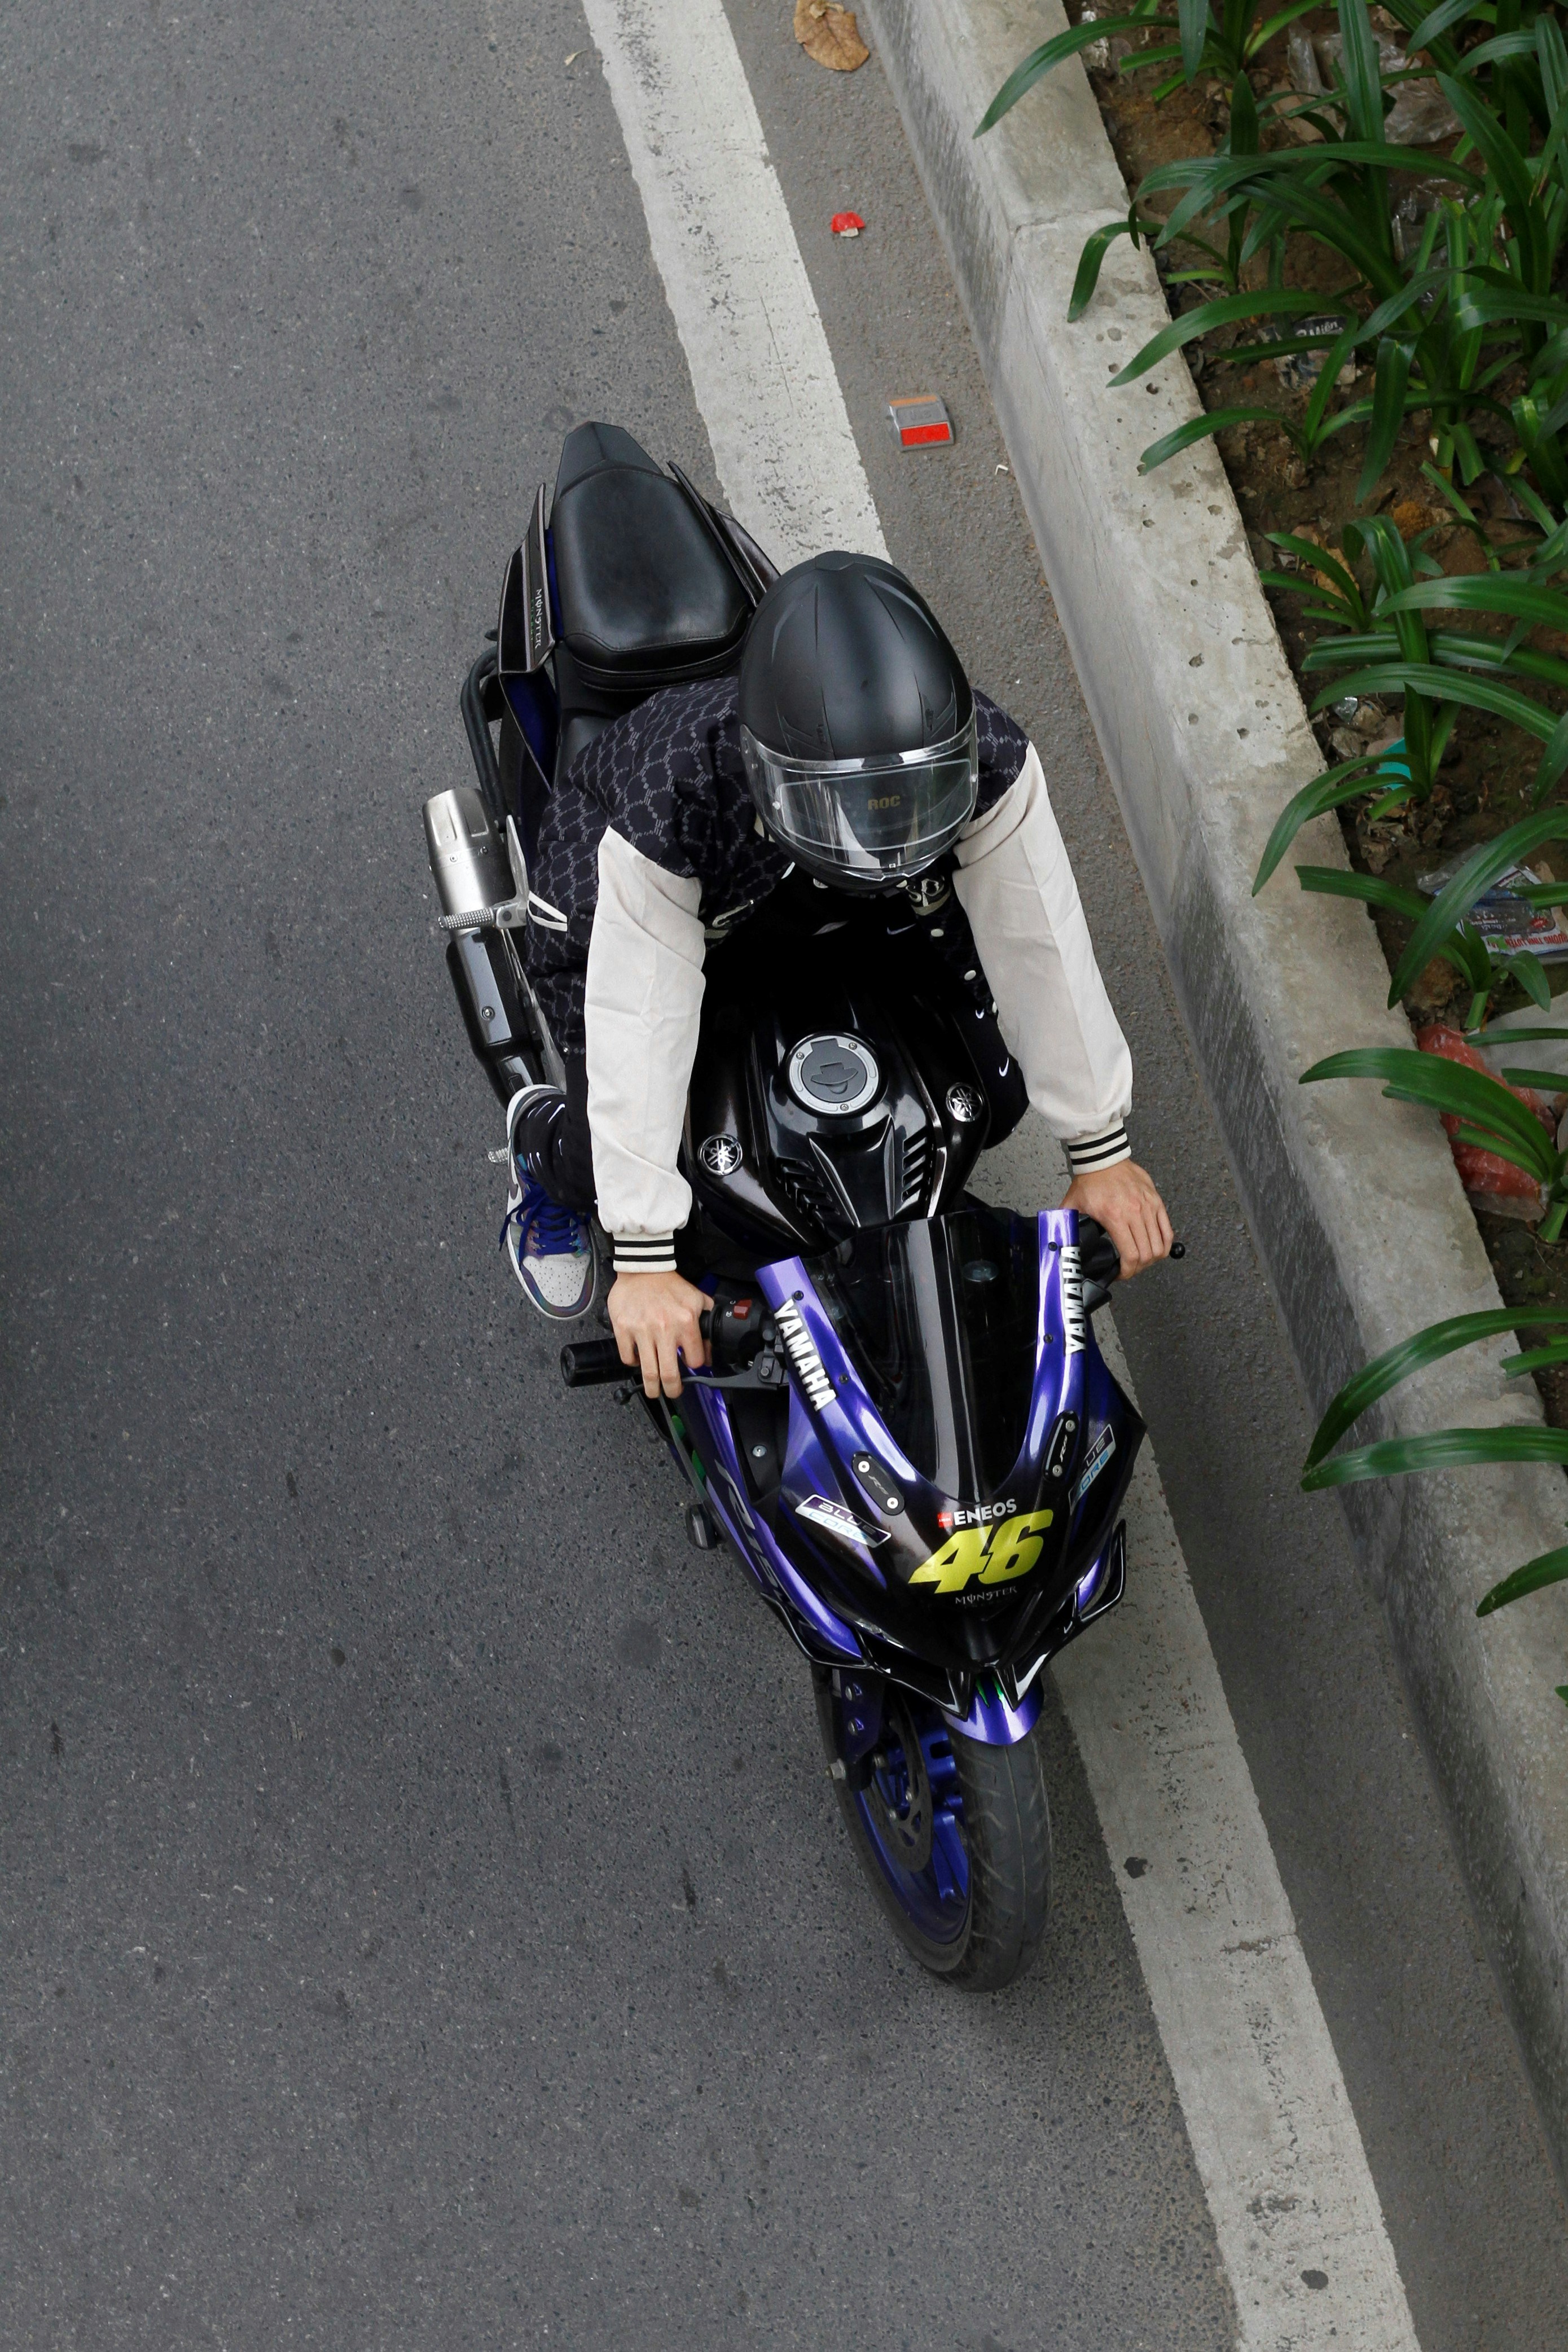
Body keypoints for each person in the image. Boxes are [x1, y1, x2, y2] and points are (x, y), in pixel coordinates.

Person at [501, 550, 1172, 1395]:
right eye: (853, 805)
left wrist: (1099, 1147)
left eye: (910, 797)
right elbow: (641, 1019)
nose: (880, 832)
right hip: (652, 896)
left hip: (831, 891)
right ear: (765, 769)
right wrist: (639, 1253)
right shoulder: (668, 802)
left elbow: (1040, 936)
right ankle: (541, 1157)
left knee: (991, 1091)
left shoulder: (989, 754)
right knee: (617, 1147)